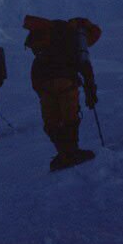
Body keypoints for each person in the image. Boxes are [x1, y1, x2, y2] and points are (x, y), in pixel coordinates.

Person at [23, 15, 101, 171]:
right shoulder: (71, 41)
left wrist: (39, 88)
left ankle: (63, 153)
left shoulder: (49, 39)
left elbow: (37, 66)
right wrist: (90, 89)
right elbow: (84, 66)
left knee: (51, 120)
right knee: (69, 117)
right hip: (66, 81)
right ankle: (72, 152)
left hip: (44, 83)